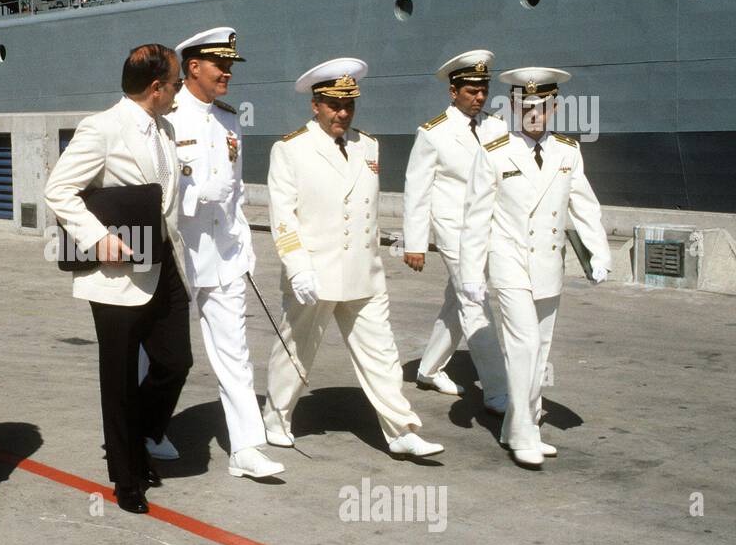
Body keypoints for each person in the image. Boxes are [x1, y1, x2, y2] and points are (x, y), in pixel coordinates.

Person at [262, 59, 442, 459]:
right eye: (333, 105)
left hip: (364, 272)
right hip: (314, 272)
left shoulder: (368, 145)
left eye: (348, 105)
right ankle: (276, 417)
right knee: (296, 349)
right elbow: (283, 216)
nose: (342, 113)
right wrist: (298, 266)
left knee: (381, 353)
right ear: (316, 105)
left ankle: (401, 430)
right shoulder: (290, 149)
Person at [44, 44, 192, 514]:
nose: (179, 91)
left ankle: (137, 437)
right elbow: (58, 188)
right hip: (116, 269)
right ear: (156, 87)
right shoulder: (103, 128)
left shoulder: (165, 129)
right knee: (120, 376)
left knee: (175, 362)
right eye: (176, 84)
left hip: (164, 261)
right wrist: (97, 237)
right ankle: (127, 477)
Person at [459, 68, 611, 469]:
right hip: (509, 262)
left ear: (554, 107)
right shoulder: (493, 152)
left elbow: (584, 205)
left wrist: (599, 253)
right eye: (525, 107)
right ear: (512, 107)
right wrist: (472, 274)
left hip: (548, 263)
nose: (533, 114)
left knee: (540, 350)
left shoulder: (567, 152)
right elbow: (475, 218)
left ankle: (516, 425)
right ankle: (526, 434)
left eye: (541, 107)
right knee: (524, 345)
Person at [165, 27, 284, 480]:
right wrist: (194, 196)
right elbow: (155, 186)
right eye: (221, 65)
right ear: (193, 67)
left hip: (226, 256)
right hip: (179, 253)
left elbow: (233, 194)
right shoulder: (169, 117)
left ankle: (246, 447)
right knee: (160, 354)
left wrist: (244, 241)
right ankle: (149, 429)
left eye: (231, 65)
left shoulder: (230, 119)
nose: (228, 73)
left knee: (235, 351)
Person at [401, 50, 508, 413]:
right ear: (453, 91)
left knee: (457, 300)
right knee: (475, 302)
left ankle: (429, 369)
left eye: (484, 89)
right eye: (471, 90)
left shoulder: (497, 128)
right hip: (455, 232)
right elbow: (417, 192)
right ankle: (498, 389)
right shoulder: (433, 134)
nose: (479, 97)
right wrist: (415, 243)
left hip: (490, 228)